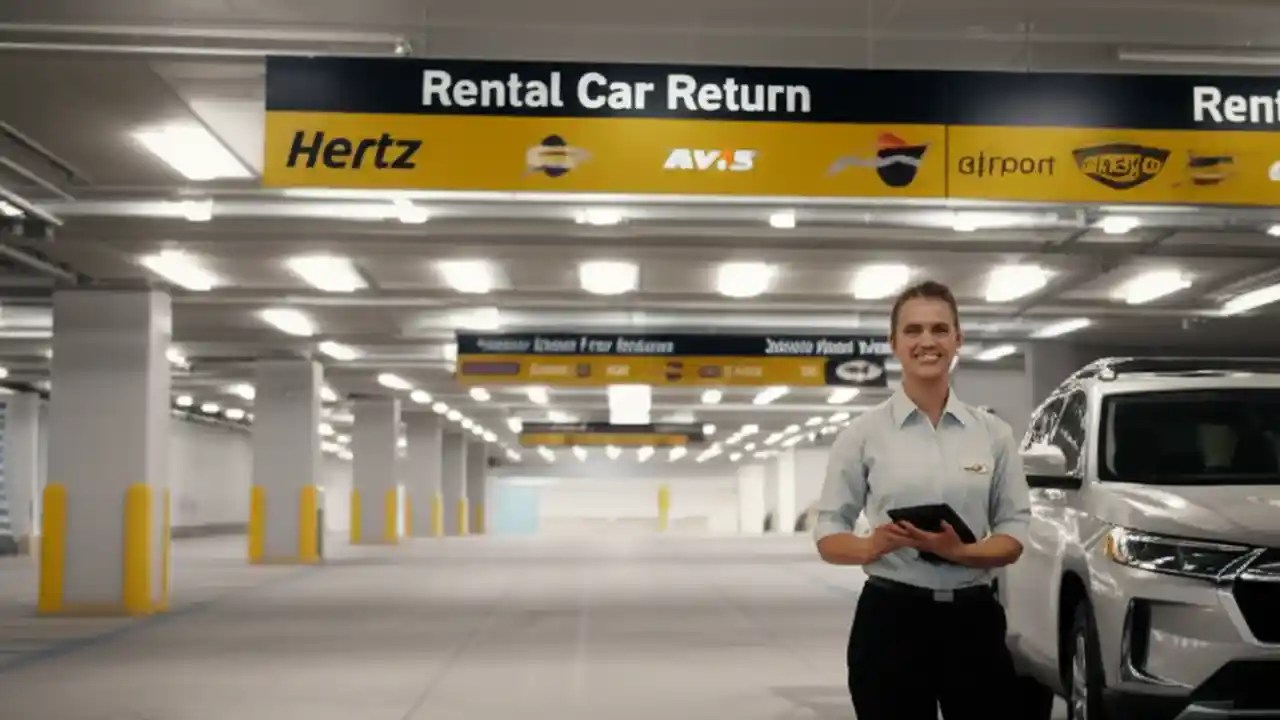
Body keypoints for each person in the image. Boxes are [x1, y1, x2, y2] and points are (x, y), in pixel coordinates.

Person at [812, 279, 1032, 720]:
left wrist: (960, 552)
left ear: (957, 340)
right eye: (913, 330)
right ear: (893, 342)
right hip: (889, 620)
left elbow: (1013, 531)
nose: (927, 341)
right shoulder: (862, 435)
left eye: (939, 329)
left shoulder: (994, 434)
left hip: (973, 622)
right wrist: (870, 546)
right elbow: (829, 533)